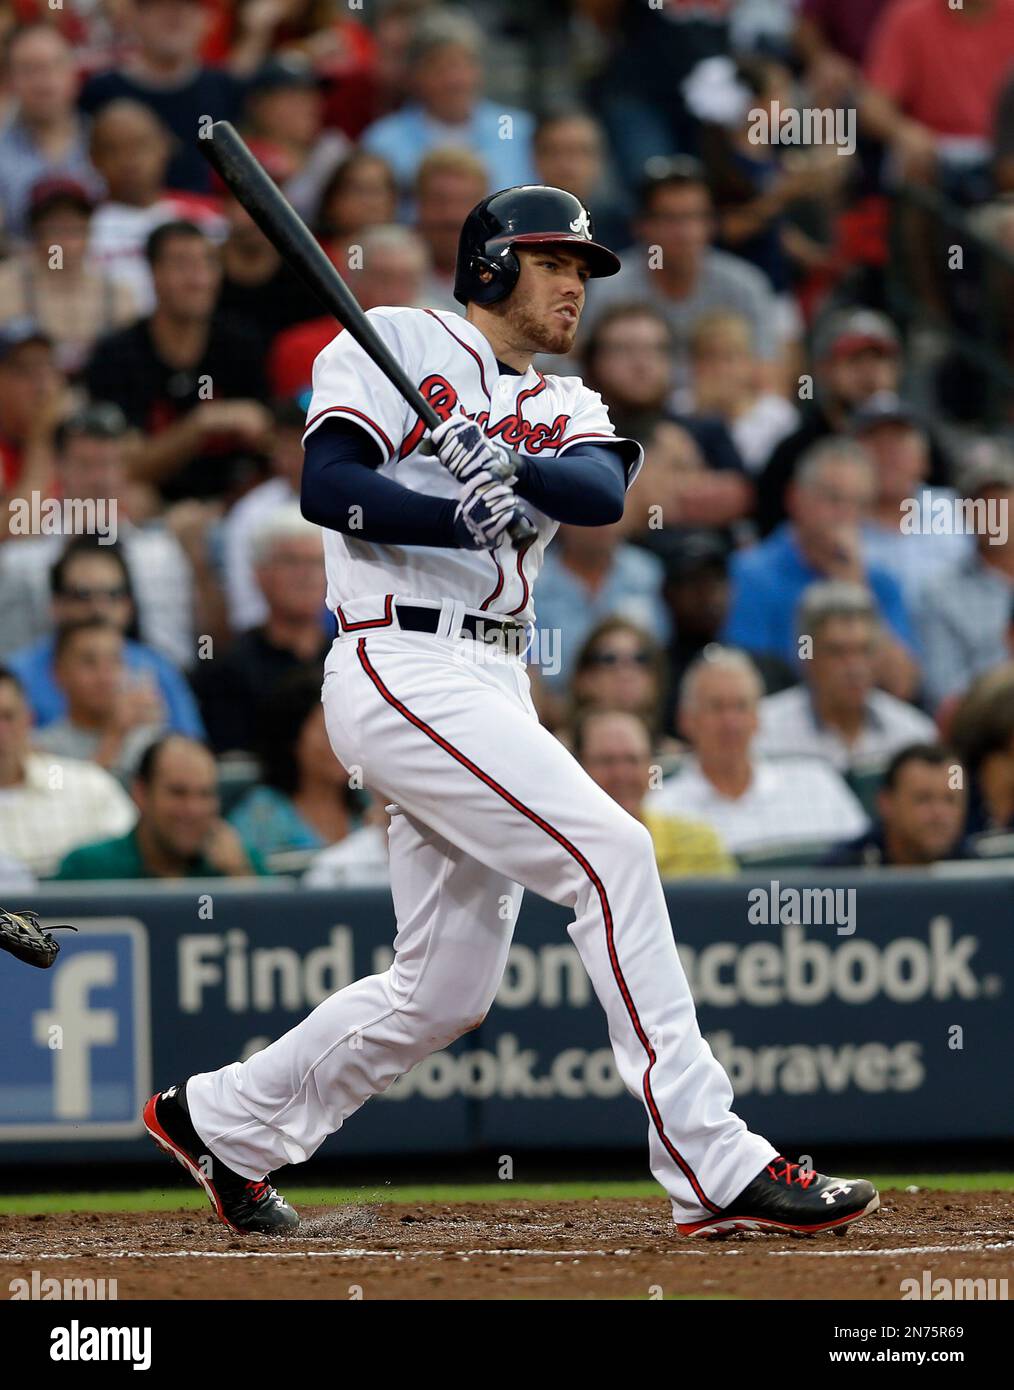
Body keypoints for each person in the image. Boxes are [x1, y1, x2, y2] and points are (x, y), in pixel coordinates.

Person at [144, 183, 878, 1240]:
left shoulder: (569, 400)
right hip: (400, 655)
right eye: (553, 264)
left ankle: (224, 1121)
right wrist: (450, 507)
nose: (574, 285)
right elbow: (330, 485)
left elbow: (596, 492)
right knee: (613, 855)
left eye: (582, 270)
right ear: (489, 265)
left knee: (442, 990)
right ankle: (711, 1159)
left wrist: (512, 466)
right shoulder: (396, 336)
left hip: (493, 677)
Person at [0, 402, 218, 670]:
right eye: (85, 464)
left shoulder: (161, 553)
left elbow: (182, 652)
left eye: (109, 464)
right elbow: (12, 662)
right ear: (60, 468)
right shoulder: (23, 563)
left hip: (153, 693)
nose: (99, 479)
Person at [84, 220, 272, 503]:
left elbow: (272, 440)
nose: (199, 280)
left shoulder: (242, 344)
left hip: (237, 505)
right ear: (154, 274)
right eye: (183, 265)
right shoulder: (118, 354)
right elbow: (127, 468)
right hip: (152, 512)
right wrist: (201, 424)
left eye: (208, 264)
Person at [723, 438, 920, 697]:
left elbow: (901, 686)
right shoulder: (752, 573)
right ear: (795, 498)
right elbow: (747, 678)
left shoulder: (880, 582)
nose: (846, 514)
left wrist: (857, 589)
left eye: (858, 503)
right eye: (834, 499)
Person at [587, 159, 791, 393]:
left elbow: (769, 378)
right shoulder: (611, 285)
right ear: (641, 226)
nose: (684, 232)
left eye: (695, 217)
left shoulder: (744, 284)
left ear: (711, 225)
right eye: (670, 218)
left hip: (724, 418)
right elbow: (581, 367)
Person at [648, 646, 869, 856]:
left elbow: (864, 863)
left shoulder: (818, 783)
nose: (730, 722)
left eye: (741, 706)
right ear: (686, 719)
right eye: (716, 707)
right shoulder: (659, 805)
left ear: (758, 718)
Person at [756, 307, 954, 536]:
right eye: (854, 360)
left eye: (880, 359)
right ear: (824, 369)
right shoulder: (797, 450)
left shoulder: (921, 436)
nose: (869, 372)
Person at [6, 536, 205, 736]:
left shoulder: (159, 668)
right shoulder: (17, 675)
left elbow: (193, 747)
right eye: (82, 595)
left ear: (129, 605)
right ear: (56, 605)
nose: (98, 608)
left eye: (113, 594)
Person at [756, 582, 936, 773]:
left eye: (864, 651)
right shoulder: (763, 732)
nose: (854, 668)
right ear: (807, 656)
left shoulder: (914, 734)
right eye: (837, 652)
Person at [192, 507, 328, 754]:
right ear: (259, 574)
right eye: (292, 561)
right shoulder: (228, 670)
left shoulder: (350, 657)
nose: (307, 574)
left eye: (317, 562)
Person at [78, 0, 246, 195]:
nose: (175, 18)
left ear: (207, 20)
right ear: (135, 16)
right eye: (160, 8)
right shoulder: (100, 89)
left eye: (188, 9)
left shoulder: (226, 87)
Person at [360, 9, 535, 195]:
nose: (454, 80)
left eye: (464, 65)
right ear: (415, 75)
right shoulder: (383, 141)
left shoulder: (518, 130)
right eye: (440, 68)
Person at [230, 669, 384, 877]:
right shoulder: (260, 815)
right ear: (293, 736)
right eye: (328, 730)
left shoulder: (374, 805)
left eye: (349, 730)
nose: (342, 743)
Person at [55, 734, 265, 879]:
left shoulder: (241, 864)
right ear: (141, 794)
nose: (193, 809)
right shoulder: (87, 870)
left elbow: (276, 933)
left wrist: (240, 878)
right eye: (177, 793)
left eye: (205, 794)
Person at [86, 100, 227, 315]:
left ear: (164, 146)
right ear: (93, 158)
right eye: (113, 149)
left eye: (140, 145)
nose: (129, 160)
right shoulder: (80, 230)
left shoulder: (210, 219)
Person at [0, 665, 136, 878]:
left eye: (8, 716)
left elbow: (131, 860)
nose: (1, 732)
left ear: (29, 719)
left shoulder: (88, 784)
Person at [573, 708, 734, 879]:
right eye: (606, 761)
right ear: (579, 767)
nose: (621, 774)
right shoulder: (559, 848)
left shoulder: (699, 843)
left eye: (633, 760)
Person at [0, 176, 137, 375]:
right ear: (35, 232)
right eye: (56, 229)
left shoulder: (118, 293)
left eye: (75, 229)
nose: (66, 243)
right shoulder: (5, 286)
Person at [853, 393, 973, 604]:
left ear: (924, 460)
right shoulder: (835, 519)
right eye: (876, 444)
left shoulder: (958, 510)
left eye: (899, 442)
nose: (887, 455)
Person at [917, 455, 1014, 710]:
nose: (995, 512)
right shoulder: (940, 593)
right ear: (964, 513)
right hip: (986, 729)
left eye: (1004, 499)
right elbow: (945, 694)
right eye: (982, 503)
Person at [533, 520, 669, 700]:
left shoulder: (646, 571)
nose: (601, 520)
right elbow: (522, 660)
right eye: (586, 507)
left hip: (638, 708)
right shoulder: (534, 579)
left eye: (608, 507)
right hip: (553, 710)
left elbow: (659, 652)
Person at [31, 617, 166, 781]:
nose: (105, 677)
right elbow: (62, 800)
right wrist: (113, 737)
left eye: (115, 661)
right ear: (58, 673)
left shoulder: (150, 742)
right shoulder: (43, 749)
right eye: (89, 662)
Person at [0, 24, 101, 240]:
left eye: (54, 66)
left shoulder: (107, 140)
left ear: (73, 73)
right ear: (10, 80)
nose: (43, 81)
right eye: (29, 69)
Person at [220, 398, 306, 632]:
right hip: (271, 641)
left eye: (303, 443)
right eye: (286, 444)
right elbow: (245, 609)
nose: (295, 455)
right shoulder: (251, 512)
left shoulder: (356, 502)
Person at [822, 743, 977, 867]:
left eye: (950, 800)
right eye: (923, 799)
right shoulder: (844, 872)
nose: (939, 813)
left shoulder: (979, 870)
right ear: (886, 804)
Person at [565, 617, 675, 755]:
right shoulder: (555, 752)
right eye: (609, 659)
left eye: (640, 659)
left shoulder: (678, 761)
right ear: (584, 679)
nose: (625, 672)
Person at [413, 147, 487, 314]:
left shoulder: (504, 279)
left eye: (464, 201)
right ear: (418, 205)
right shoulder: (388, 271)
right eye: (439, 201)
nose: (451, 216)